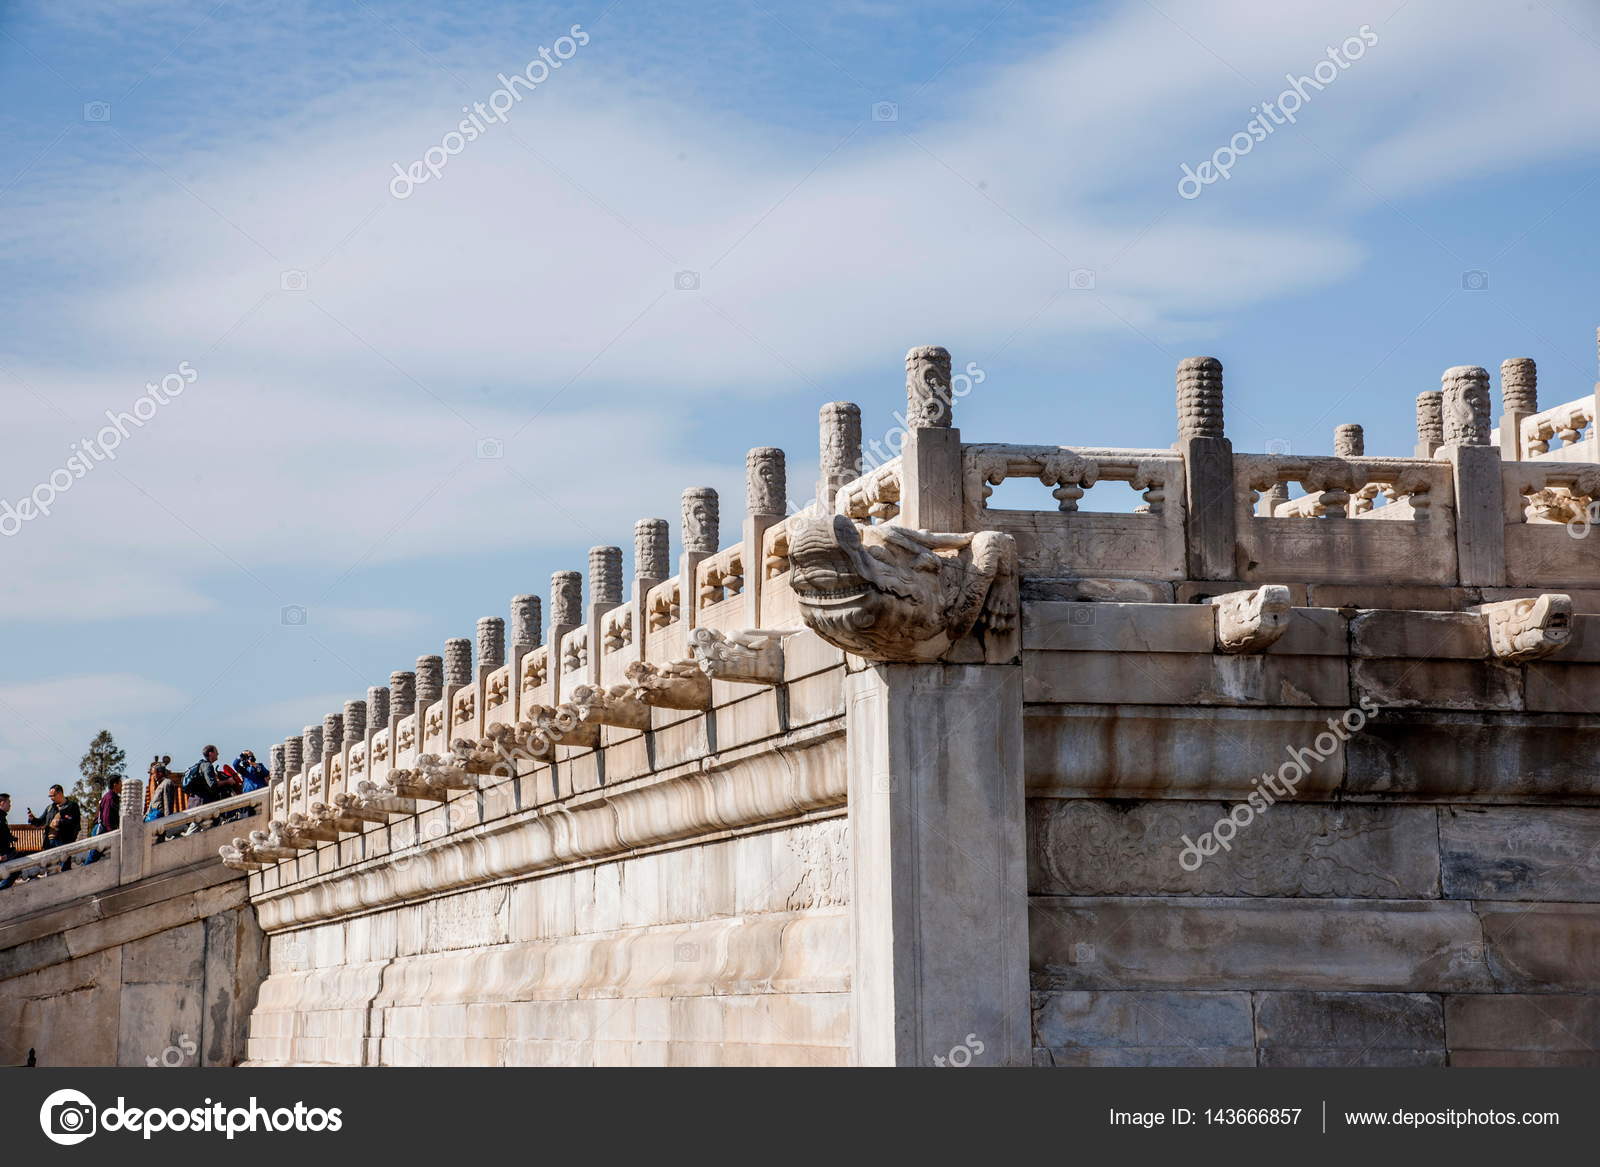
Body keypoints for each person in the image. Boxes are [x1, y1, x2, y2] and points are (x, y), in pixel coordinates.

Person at [30, 785, 81, 851]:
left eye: (53, 795)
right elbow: (41, 822)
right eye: (50, 796)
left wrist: (60, 822)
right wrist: (33, 819)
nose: (51, 798)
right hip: (48, 842)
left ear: (60, 793)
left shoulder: (72, 806)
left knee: (64, 860)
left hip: (64, 842)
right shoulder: (50, 808)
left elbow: (75, 824)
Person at [0, 793, 15, 863]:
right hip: (2, 854)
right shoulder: (1, 818)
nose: (10, 805)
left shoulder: (2, 817)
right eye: (8, 802)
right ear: (2, 803)